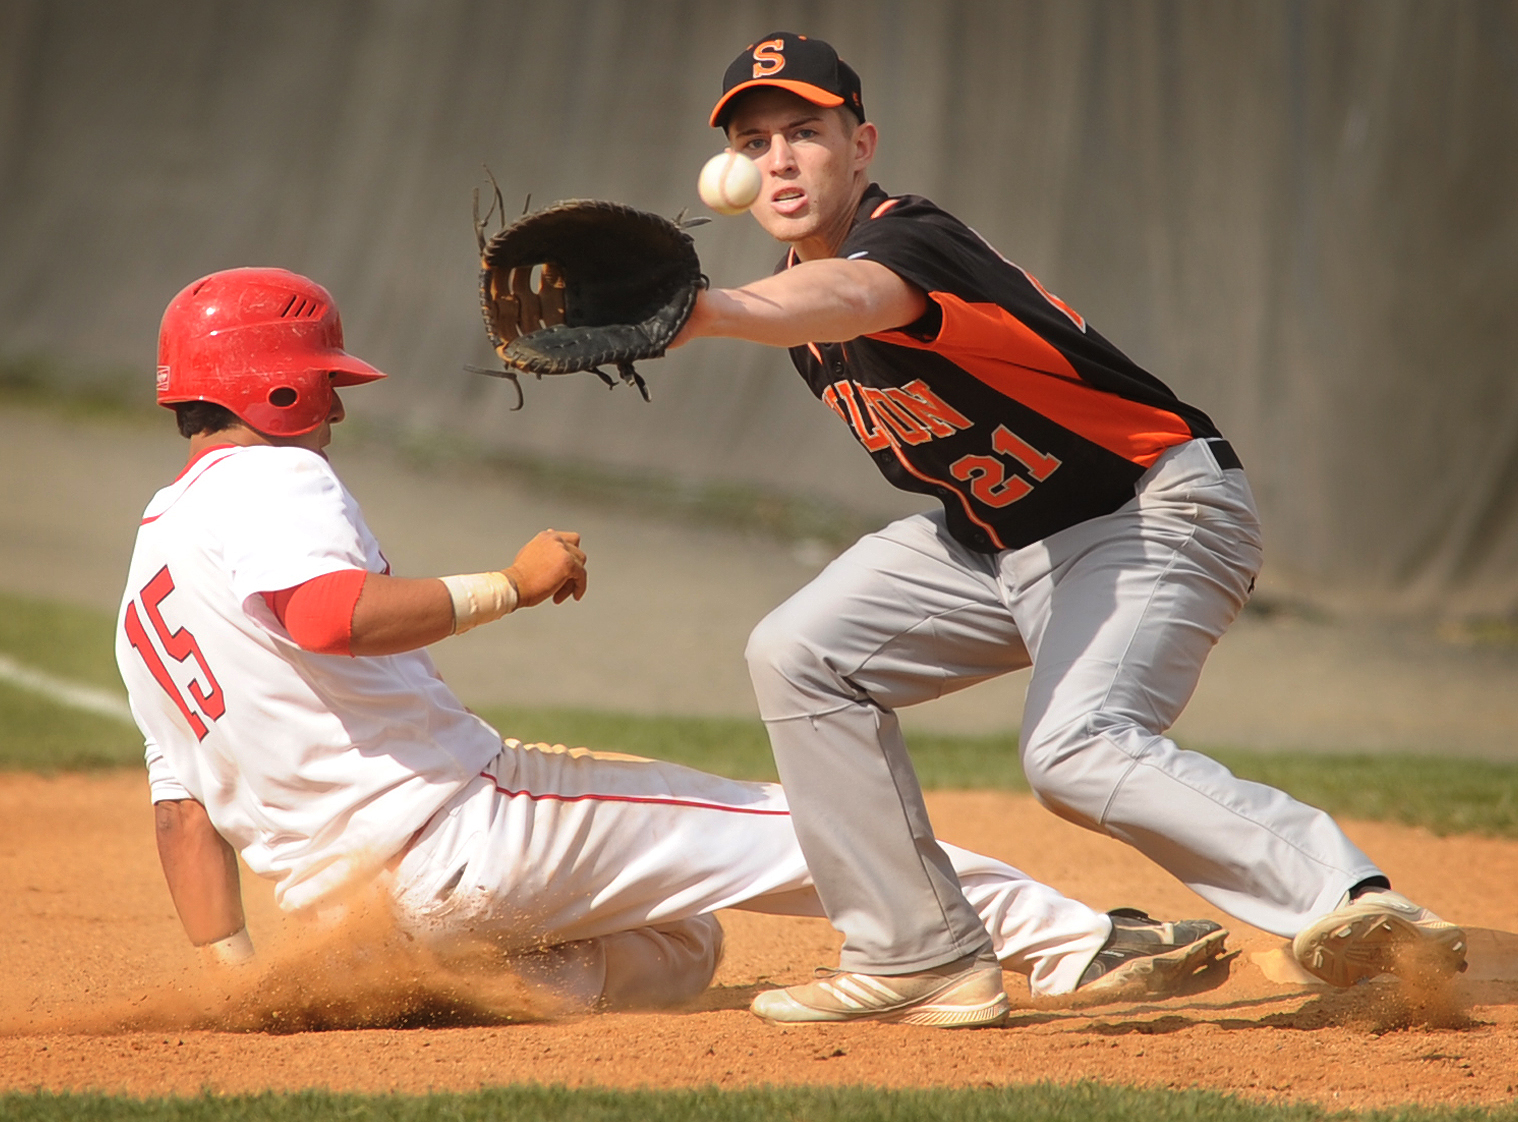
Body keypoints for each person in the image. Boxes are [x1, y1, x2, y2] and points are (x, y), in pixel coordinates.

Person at [116, 266, 1231, 1025]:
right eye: (325, 384)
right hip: (470, 834)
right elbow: (329, 618)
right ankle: (1075, 941)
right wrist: (511, 584)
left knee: (684, 945)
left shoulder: (148, 575)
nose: (336, 410)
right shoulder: (276, 476)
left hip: (360, 902)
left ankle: (434, 979)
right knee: (814, 823)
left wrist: (239, 982)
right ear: (278, 382)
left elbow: (182, 816)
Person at [669, 32, 1467, 1026]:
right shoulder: (795, 319)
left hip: (1151, 509)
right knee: (799, 653)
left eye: (804, 131)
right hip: (1000, 541)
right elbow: (809, 312)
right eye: (753, 140)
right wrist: (735, 307)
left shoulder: (906, 241)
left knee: (1076, 747)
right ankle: (917, 955)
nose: (777, 158)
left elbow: (844, 295)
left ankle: (1355, 903)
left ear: (862, 146)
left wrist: (708, 308)